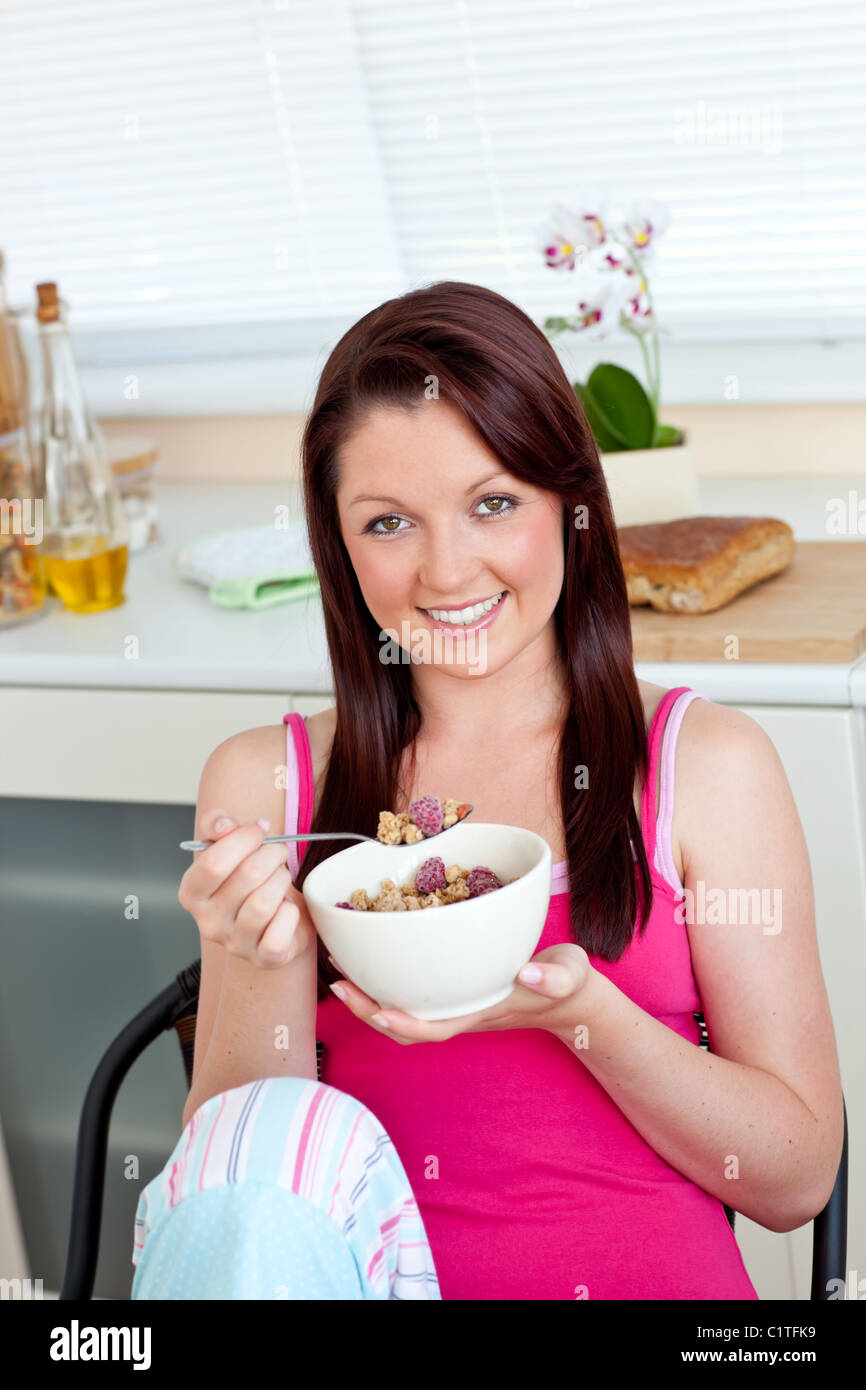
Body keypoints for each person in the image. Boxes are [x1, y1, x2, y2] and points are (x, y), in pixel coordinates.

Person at [133, 280, 843, 1300]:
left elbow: (792, 1180)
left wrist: (578, 1014)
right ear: (335, 543)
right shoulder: (267, 784)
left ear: (570, 503)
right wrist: (258, 954)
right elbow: (245, 1202)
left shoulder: (704, 767)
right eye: (387, 523)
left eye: (493, 502)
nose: (445, 570)